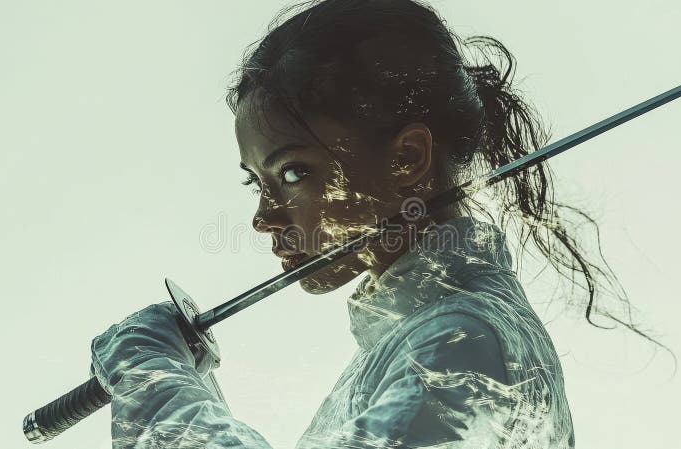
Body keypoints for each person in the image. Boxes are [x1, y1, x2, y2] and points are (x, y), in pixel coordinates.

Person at [90, 1, 628, 447]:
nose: (263, 218)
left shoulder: (461, 344)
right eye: (257, 183)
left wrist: (152, 382)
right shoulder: (422, 338)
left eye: (293, 172)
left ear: (406, 159)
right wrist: (181, 380)